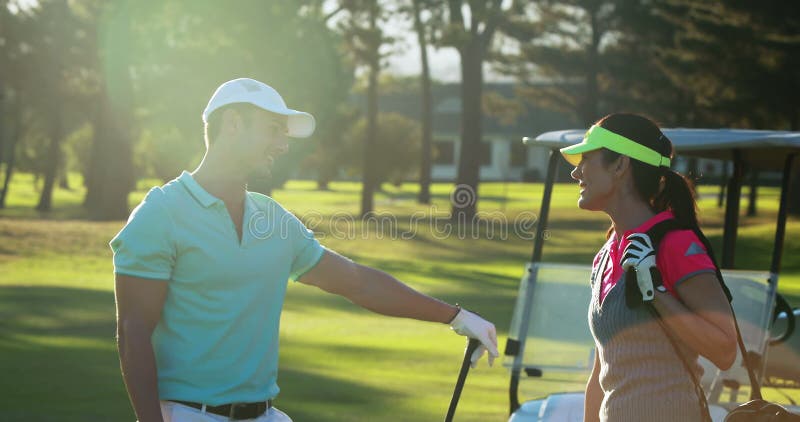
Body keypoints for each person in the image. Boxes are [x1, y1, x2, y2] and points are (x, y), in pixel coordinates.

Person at [110, 77, 499, 422]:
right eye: (273, 130)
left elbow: (357, 282)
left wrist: (455, 316)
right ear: (232, 124)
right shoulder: (160, 213)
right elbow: (133, 332)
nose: (281, 145)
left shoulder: (273, 219)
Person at [559, 113, 738, 422]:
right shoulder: (606, 254)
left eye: (586, 159)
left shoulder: (675, 245)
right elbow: (602, 369)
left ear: (619, 165)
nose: (576, 172)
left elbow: (725, 350)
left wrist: (654, 291)